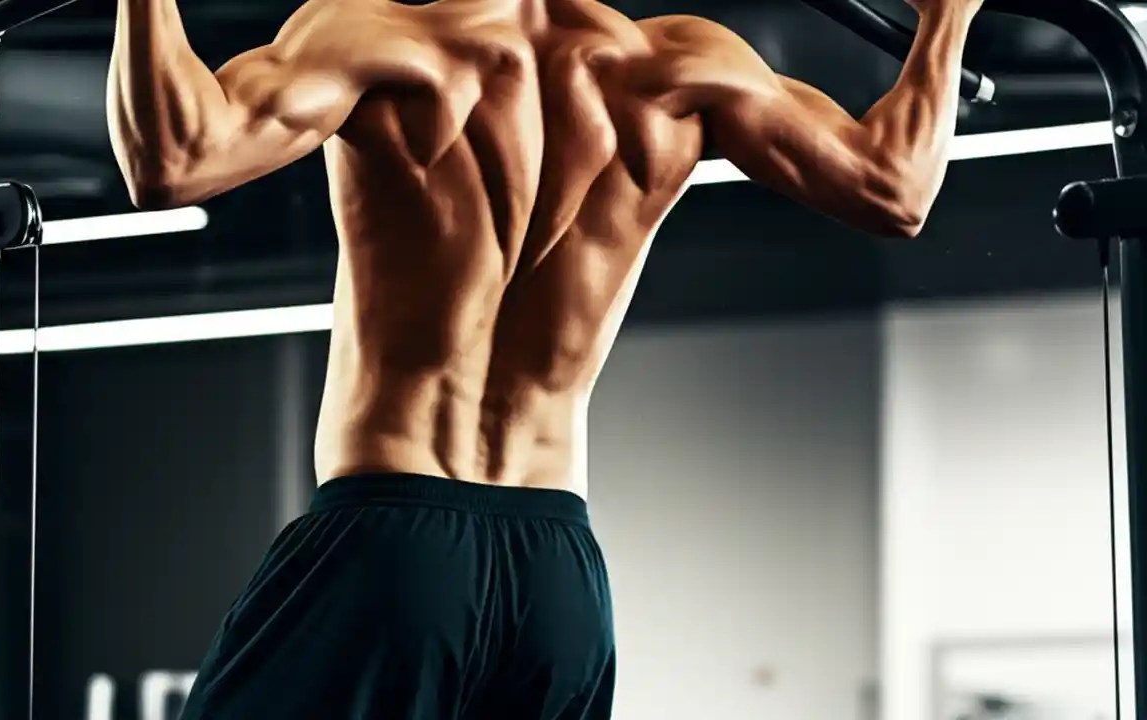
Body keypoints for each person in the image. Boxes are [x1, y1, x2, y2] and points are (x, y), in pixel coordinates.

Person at [107, 0, 981, 716]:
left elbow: (172, 159)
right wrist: (947, 20)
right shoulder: (678, 68)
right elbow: (895, 188)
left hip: (393, 542)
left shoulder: (382, 41)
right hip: (557, 579)